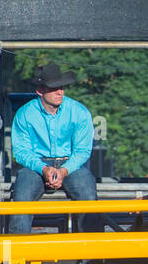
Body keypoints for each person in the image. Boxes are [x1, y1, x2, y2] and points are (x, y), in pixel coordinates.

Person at [8, 62, 96, 234]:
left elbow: (82, 151)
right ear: (40, 91)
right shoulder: (25, 114)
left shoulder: (79, 112)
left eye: (61, 87)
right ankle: (17, 258)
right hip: (36, 165)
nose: (60, 92)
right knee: (21, 200)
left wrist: (63, 170)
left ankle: (94, 258)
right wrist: (43, 168)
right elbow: (21, 152)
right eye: (53, 88)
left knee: (89, 197)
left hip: (70, 164)